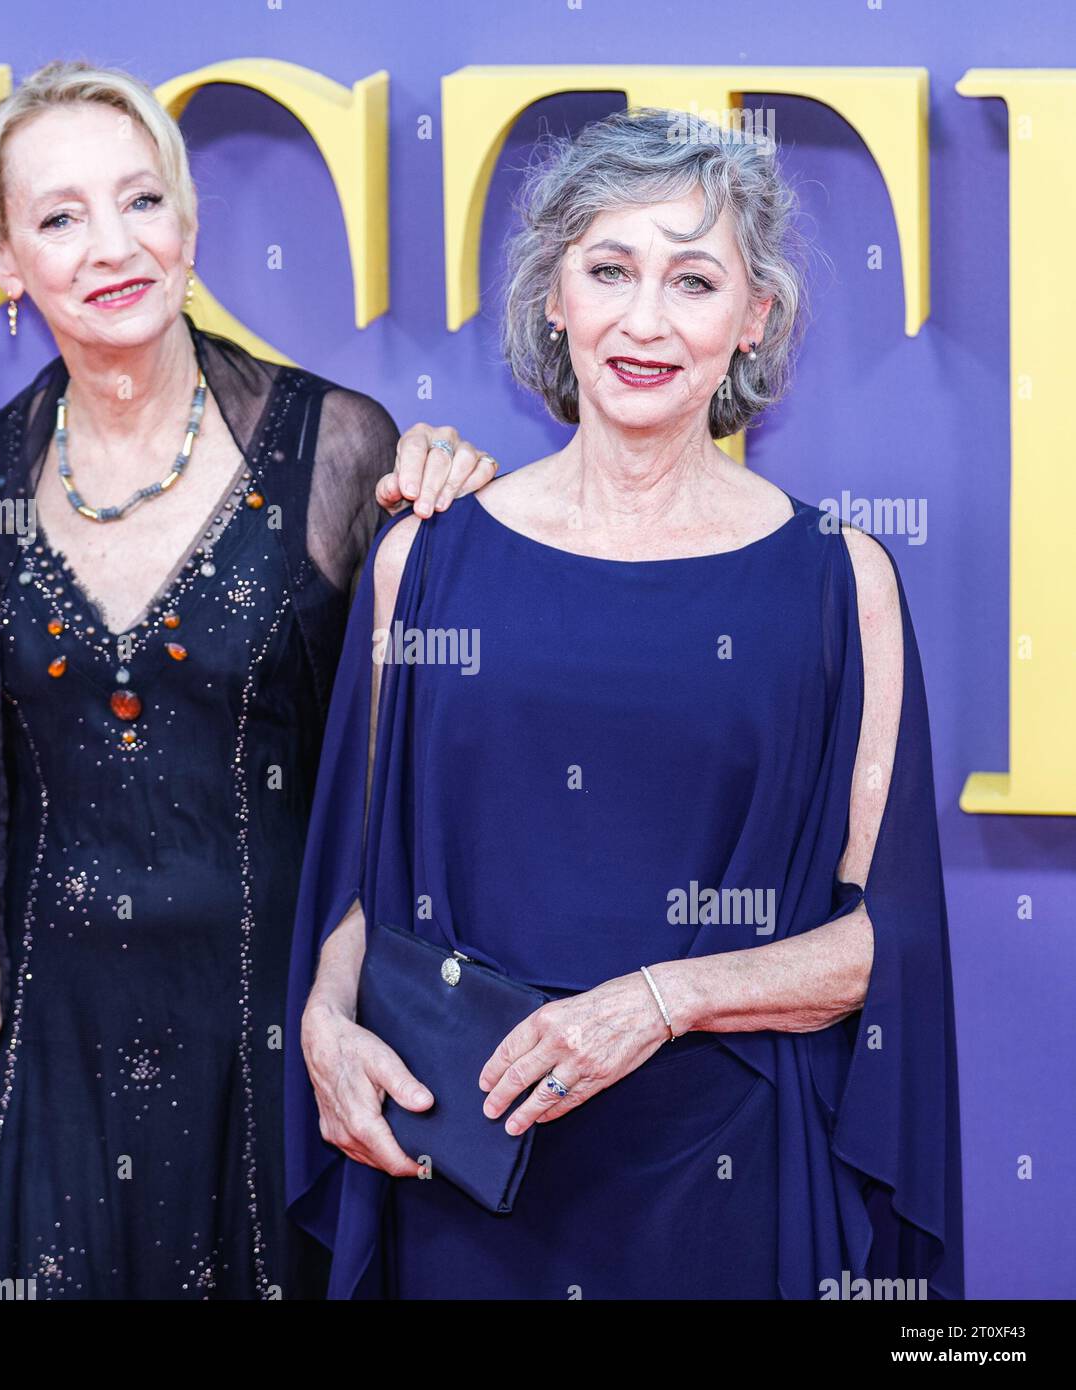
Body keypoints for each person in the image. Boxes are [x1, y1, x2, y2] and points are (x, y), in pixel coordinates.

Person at [287, 106, 964, 1299]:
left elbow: (880, 942)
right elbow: (351, 873)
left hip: (725, 1183)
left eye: (694, 280)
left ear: (753, 320)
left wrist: (659, 1002)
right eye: (609, 268)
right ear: (555, 293)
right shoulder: (427, 559)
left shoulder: (838, 580)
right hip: (463, 1162)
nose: (644, 321)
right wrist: (325, 1029)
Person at [0, 58, 494, 1301]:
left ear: (188, 223)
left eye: (140, 202)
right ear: (0, 254)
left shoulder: (340, 447)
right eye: (59, 216)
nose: (109, 246)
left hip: (275, 1036)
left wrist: (464, 523)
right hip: (50, 1051)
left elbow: (405, 770)